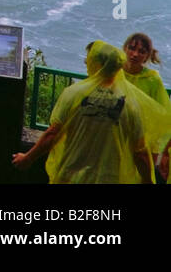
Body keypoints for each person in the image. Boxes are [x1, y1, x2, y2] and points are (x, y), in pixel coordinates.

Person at [12, 41, 171, 183]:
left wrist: (27, 158)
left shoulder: (73, 93)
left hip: (70, 174)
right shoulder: (130, 104)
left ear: (96, 64)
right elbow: (141, 153)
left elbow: (52, 134)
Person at [122, 33, 169, 107]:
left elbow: (162, 108)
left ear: (147, 56)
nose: (135, 54)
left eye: (142, 52)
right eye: (132, 48)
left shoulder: (152, 79)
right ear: (125, 48)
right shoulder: (113, 70)